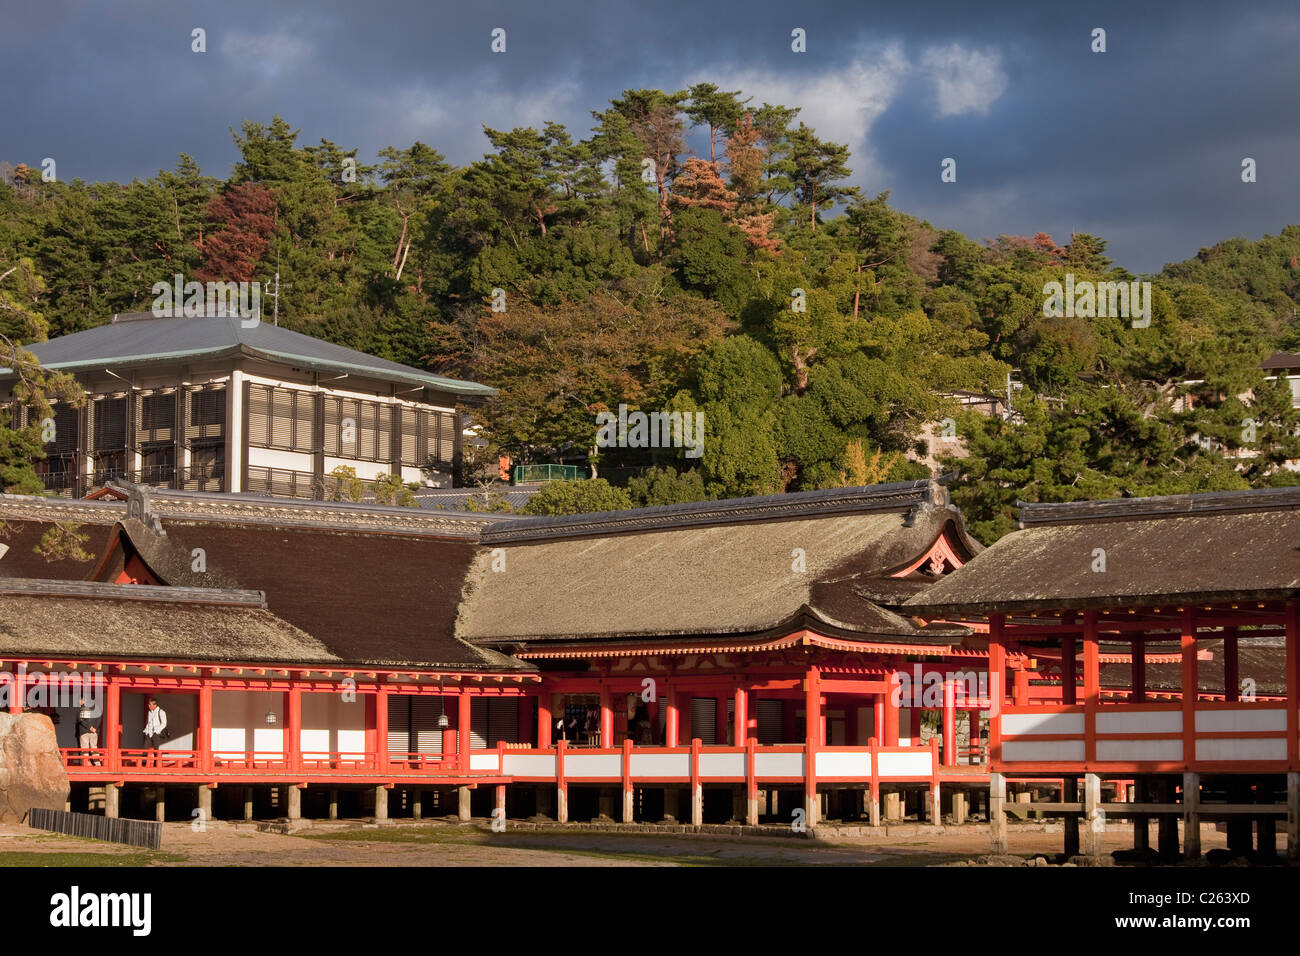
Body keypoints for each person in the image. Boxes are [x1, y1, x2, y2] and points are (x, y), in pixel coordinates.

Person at [143, 697, 167, 766]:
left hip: (156, 732)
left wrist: (157, 730)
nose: (149, 706)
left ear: (155, 705)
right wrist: (146, 730)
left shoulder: (161, 712)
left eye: (150, 704)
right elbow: (149, 722)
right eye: (149, 704)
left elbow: (164, 723)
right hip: (149, 732)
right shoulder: (149, 712)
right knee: (145, 748)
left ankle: (156, 764)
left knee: (156, 749)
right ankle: (143, 763)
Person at [75, 697, 99, 767]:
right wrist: (95, 727)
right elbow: (98, 718)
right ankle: (97, 764)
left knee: (85, 748)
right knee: (94, 748)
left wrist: (89, 727)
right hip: (94, 731)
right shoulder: (95, 708)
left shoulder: (80, 709)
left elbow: (80, 720)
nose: (79, 701)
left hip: (84, 731)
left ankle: (86, 764)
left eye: (80, 700)